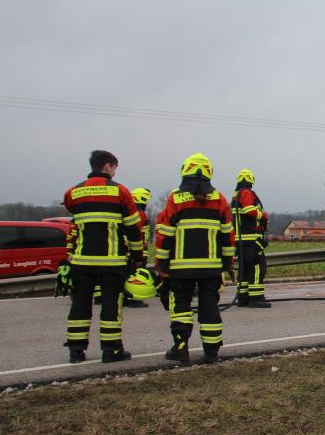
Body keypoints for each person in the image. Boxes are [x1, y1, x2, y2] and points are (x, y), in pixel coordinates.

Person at [62, 150, 144, 364]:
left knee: (80, 304)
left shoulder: (73, 193)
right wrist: (138, 256)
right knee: (111, 306)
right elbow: (133, 228)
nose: (115, 172)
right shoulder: (120, 192)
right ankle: (111, 350)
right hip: (111, 261)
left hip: (82, 261)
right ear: (107, 166)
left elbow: (75, 223)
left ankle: (76, 350)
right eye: (115, 167)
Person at [154, 153, 235, 364]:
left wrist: (161, 264)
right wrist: (227, 263)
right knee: (210, 308)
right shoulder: (219, 199)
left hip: (180, 269)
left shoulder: (175, 198)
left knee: (181, 306)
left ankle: (180, 349)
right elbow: (228, 235)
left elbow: (165, 234)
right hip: (211, 268)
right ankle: (211, 353)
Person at [232, 168, 271, 308]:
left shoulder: (236, 195)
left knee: (244, 269)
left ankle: (243, 298)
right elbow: (249, 210)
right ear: (251, 180)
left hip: (241, 240)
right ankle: (256, 298)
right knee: (256, 267)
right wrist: (262, 215)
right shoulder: (247, 193)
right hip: (251, 239)